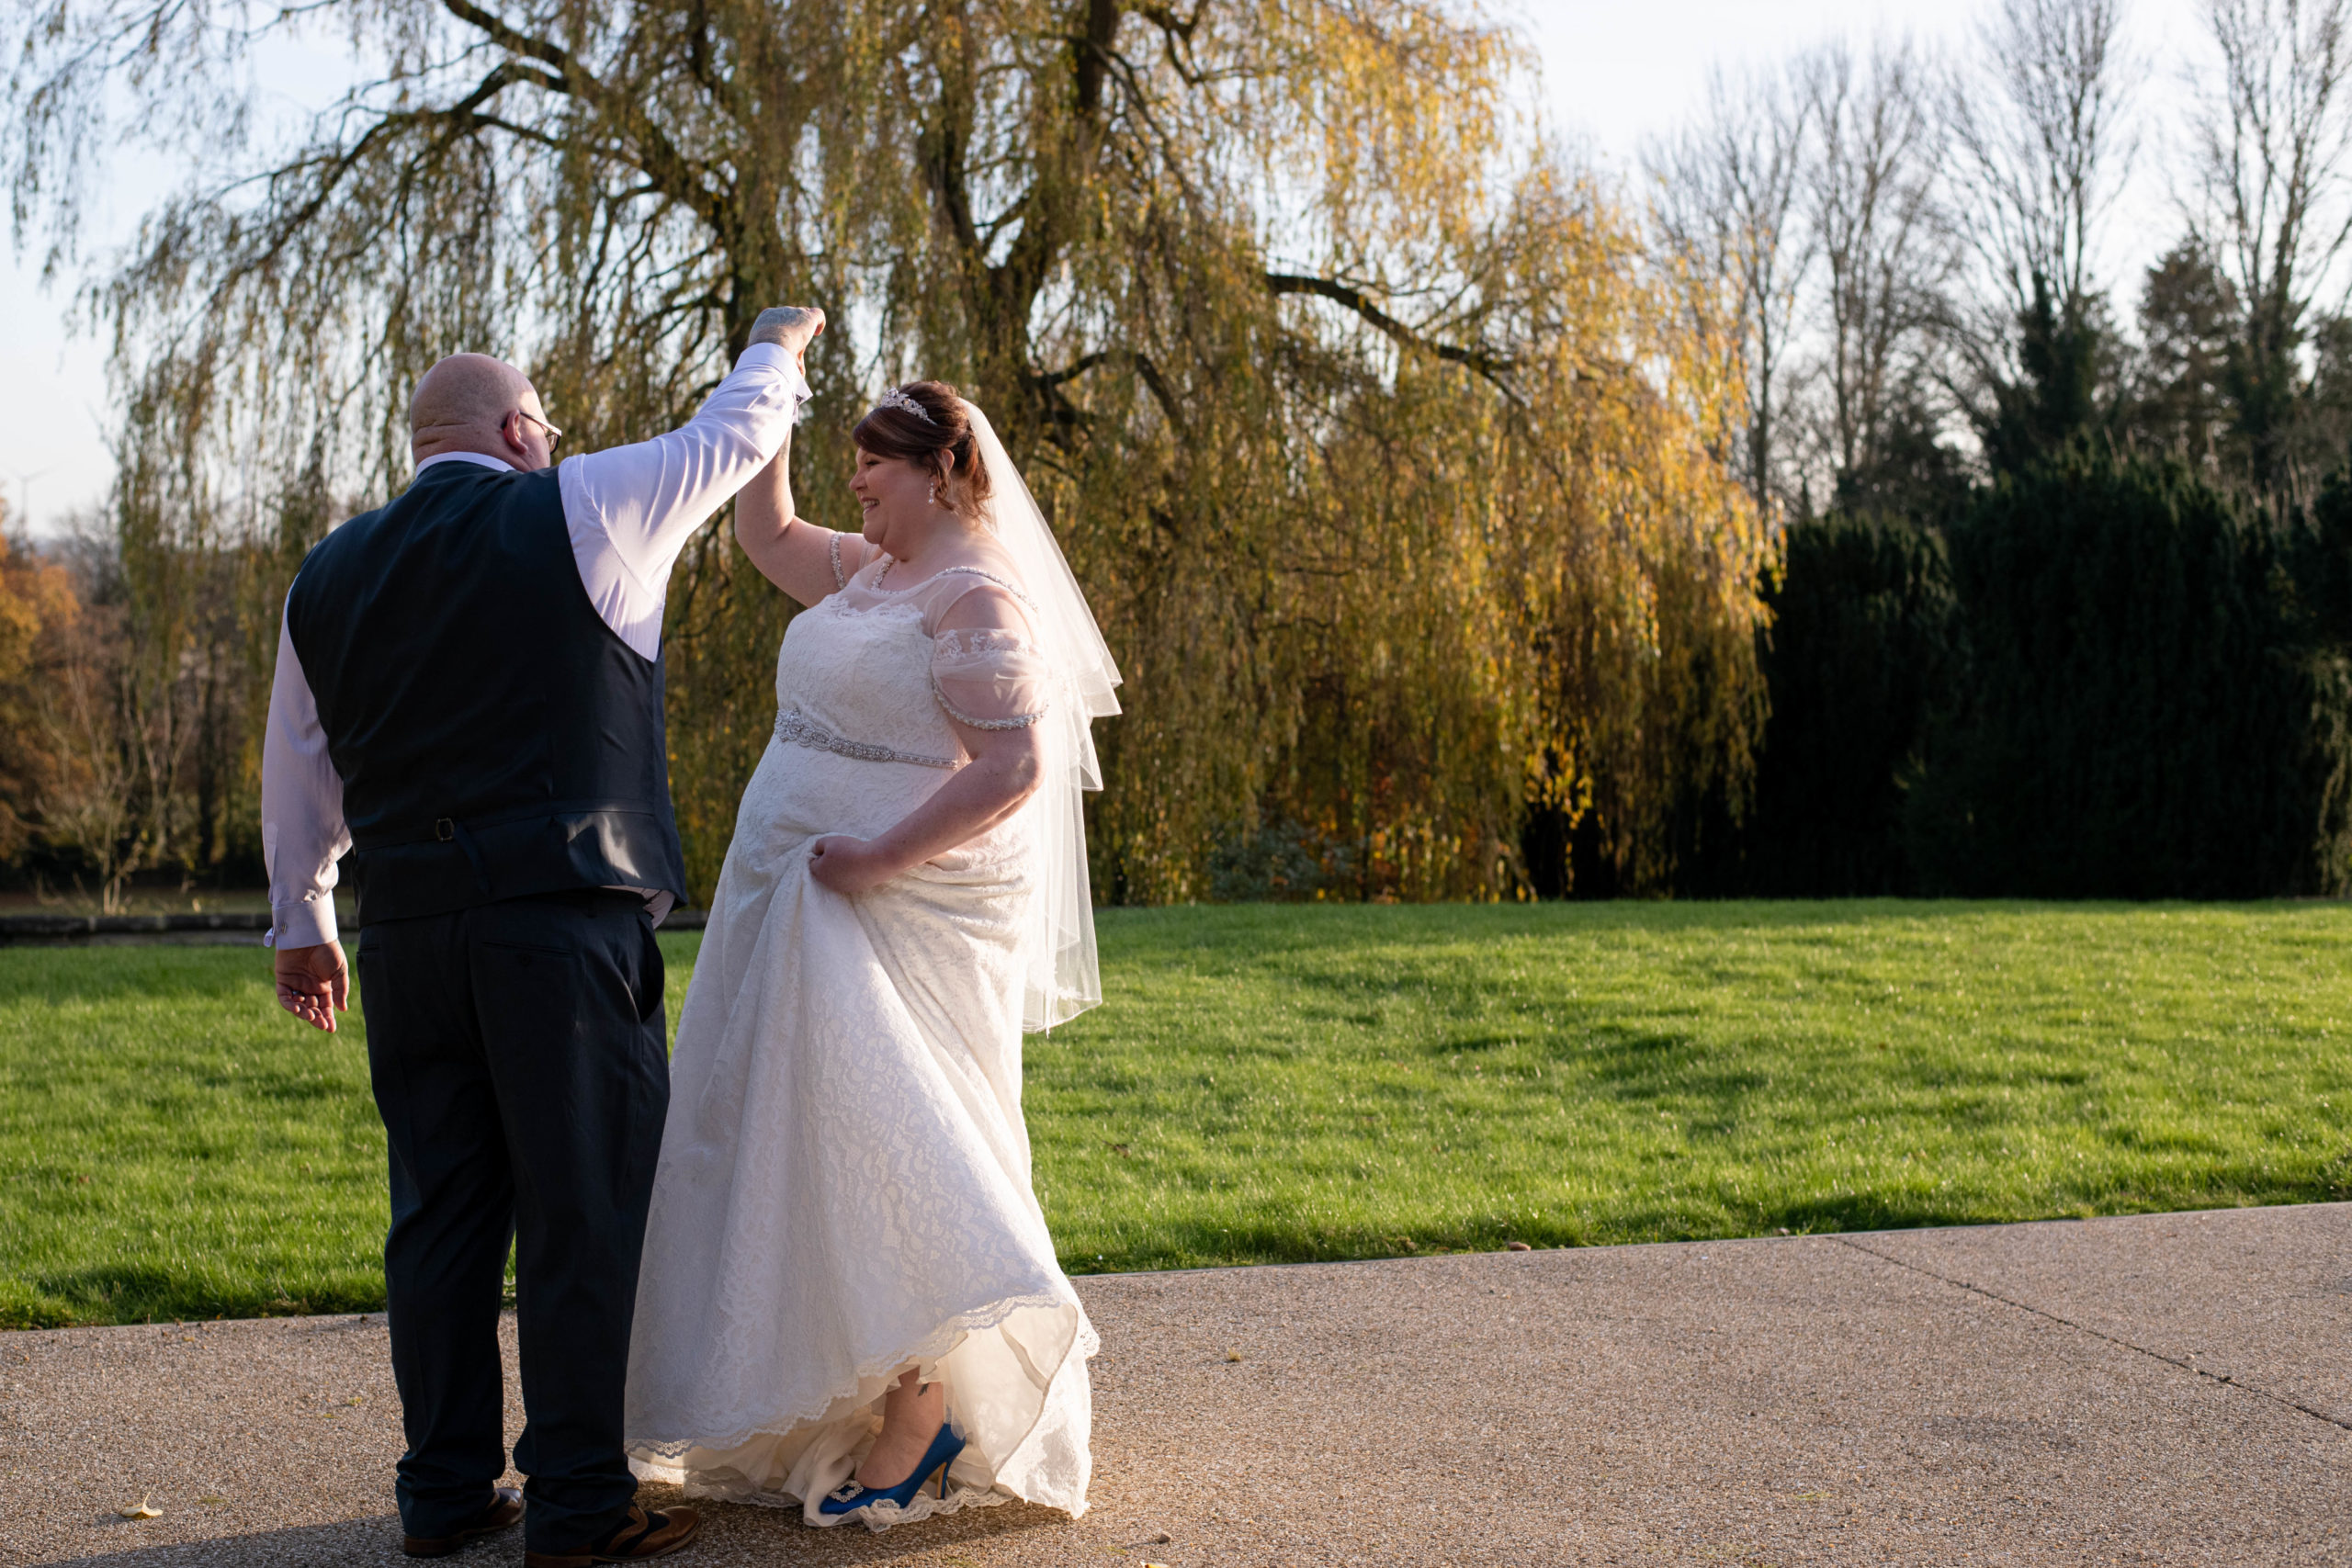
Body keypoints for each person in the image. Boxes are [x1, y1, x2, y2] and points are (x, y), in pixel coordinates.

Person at [261, 306, 825, 1566]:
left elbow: (298, 764)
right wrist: (780, 342)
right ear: (520, 431)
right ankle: (579, 1499)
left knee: (441, 1212)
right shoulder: (582, 502)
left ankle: (444, 1489)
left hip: (408, 935)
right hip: (562, 924)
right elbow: (733, 438)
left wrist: (303, 922)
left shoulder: (329, 573)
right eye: (545, 424)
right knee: (584, 1207)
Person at [621, 380, 1121, 1531]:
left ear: (939, 472)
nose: (855, 484)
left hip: (890, 907)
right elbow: (764, 531)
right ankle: (825, 1387)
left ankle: (924, 1408)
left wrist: (878, 859)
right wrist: (767, 400)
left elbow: (1012, 771)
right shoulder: (871, 571)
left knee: (892, 1138)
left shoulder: (977, 596)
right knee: (793, 1141)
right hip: (790, 898)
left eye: (873, 465)